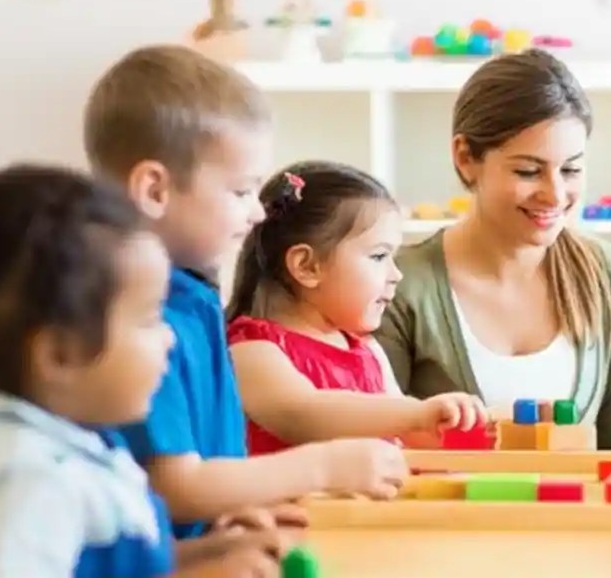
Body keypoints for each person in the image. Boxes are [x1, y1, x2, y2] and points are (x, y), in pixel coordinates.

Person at [84, 45, 408, 540]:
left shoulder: (191, 300)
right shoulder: (141, 319)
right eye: (240, 192)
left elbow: (210, 467)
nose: (258, 213)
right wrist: (322, 467)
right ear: (154, 190)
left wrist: (235, 513)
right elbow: (174, 488)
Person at [0, 165, 282, 577]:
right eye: (150, 320)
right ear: (61, 354)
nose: (169, 339)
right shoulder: (30, 481)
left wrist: (205, 553)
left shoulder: (78, 449)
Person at [372, 49, 611, 449]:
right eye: (528, 171)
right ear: (466, 157)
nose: (555, 194)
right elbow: (376, 442)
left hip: (579, 513)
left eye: (571, 169)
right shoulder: (398, 284)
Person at [224, 161, 489, 454]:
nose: (396, 274)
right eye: (379, 256)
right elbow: (303, 415)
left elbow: (409, 433)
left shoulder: (368, 351)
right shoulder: (251, 350)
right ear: (307, 266)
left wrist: (453, 423)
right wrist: (417, 412)